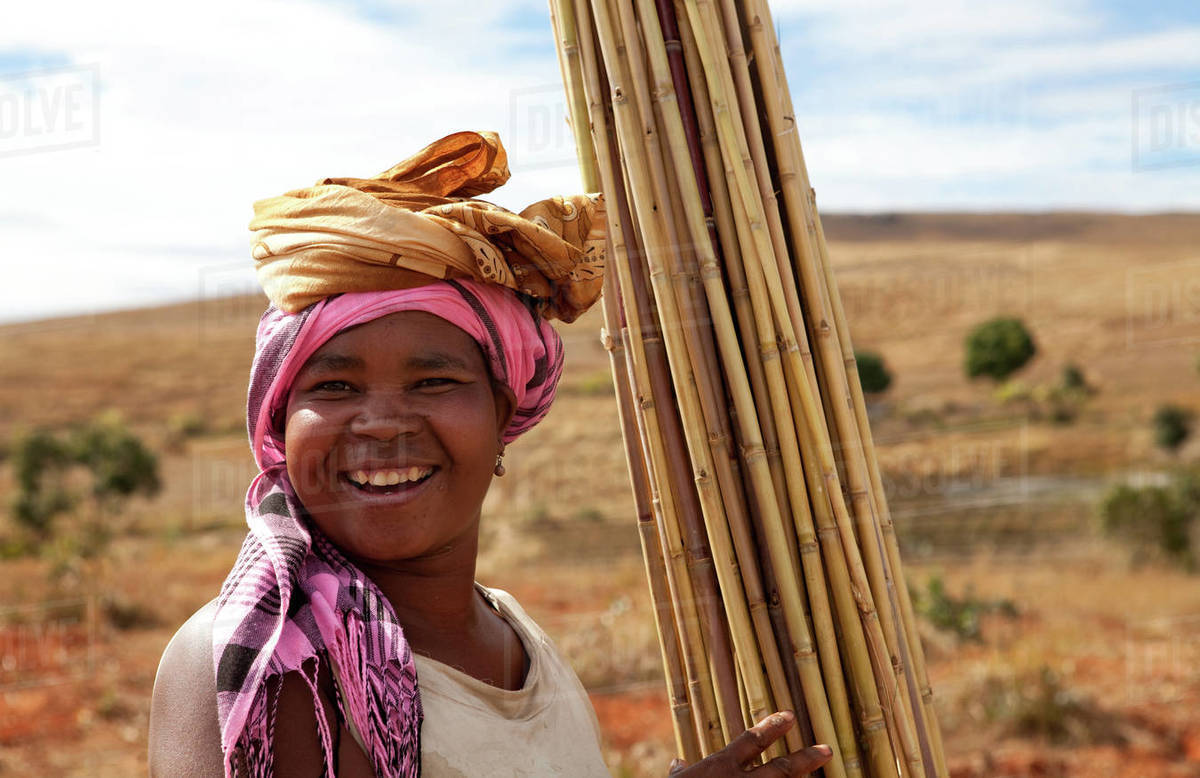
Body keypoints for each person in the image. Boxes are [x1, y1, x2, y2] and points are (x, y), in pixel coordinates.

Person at [147, 132, 833, 777]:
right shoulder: (264, 659)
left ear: (505, 414)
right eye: (334, 385)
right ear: (278, 418)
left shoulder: (520, 636)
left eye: (434, 381)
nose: (382, 424)